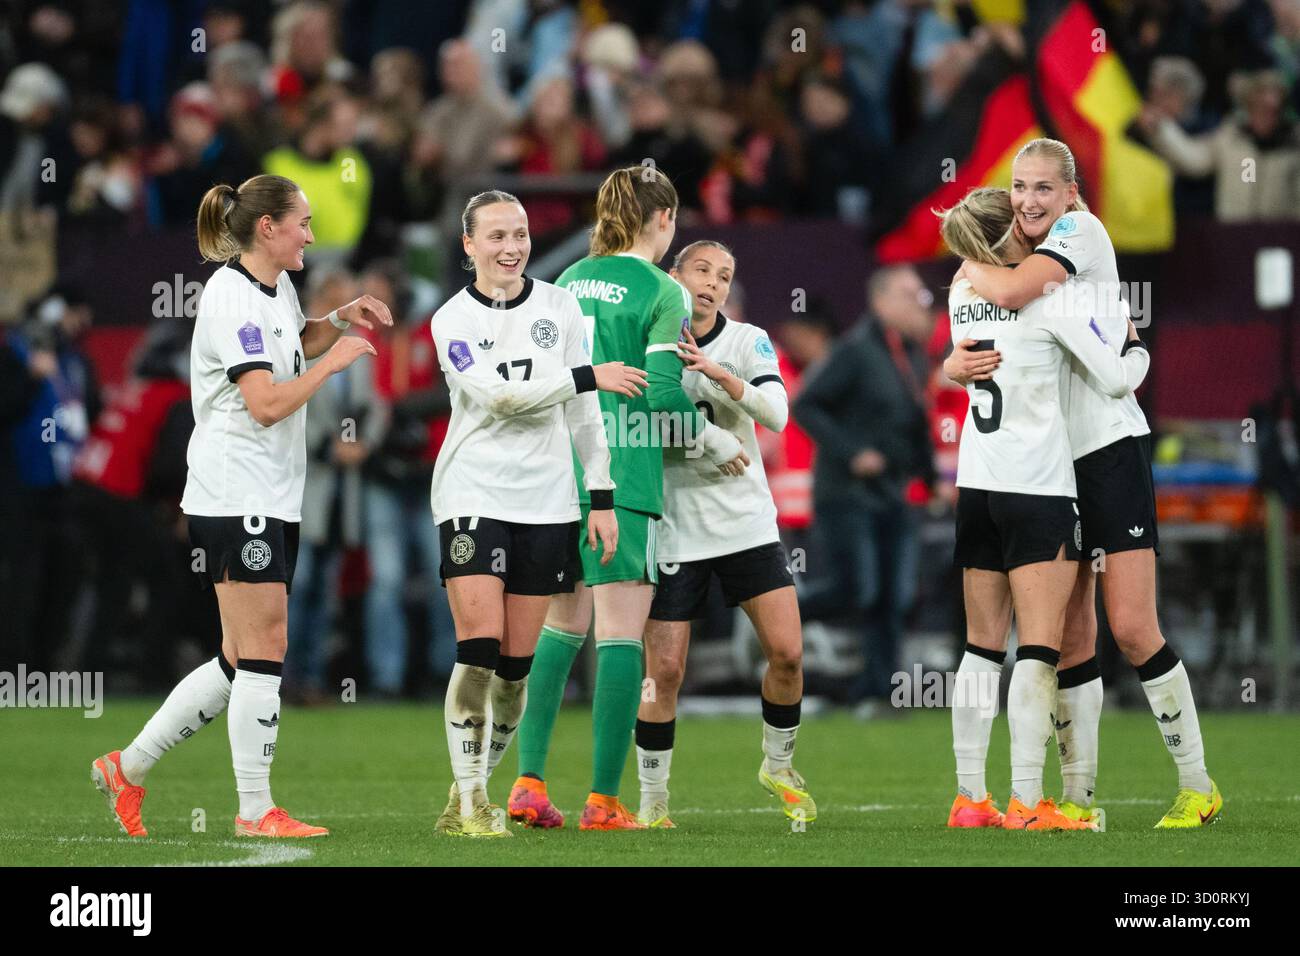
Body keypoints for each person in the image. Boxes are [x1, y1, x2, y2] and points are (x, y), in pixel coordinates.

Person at [90, 173, 392, 839]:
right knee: (267, 649)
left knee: (239, 657)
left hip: (267, 490)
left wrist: (338, 321)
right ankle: (256, 811)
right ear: (268, 228)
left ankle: (127, 767)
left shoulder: (275, 287)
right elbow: (265, 403)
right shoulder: (229, 298)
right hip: (238, 488)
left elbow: (291, 341)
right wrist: (334, 364)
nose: (313, 234)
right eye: (304, 223)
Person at [949, 138, 1222, 829]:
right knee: (1070, 636)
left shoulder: (1076, 233)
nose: (1031, 200)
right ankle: (1076, 797)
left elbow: (1011, 290)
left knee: (1131, 627)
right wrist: (957, 363)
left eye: (1045, 187)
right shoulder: (1020, 265)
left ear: (1072, 194)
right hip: (1050, 466)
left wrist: (962, 254)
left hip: (1107, 451)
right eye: (1020, 187)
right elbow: (1011, 320)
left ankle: (1198, 784)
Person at [508, 166, 748, 831]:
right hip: (626, 473)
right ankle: (604, 801)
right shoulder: (662, 289)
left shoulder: (563, 282)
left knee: (560, 628)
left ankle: (528, 780)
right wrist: (714, 442)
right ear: (665, 220)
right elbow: (666, 392)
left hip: (559, 475)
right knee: (618, 637)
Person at [427, 189, 645, 838]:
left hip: (547, 501)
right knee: (477, 650)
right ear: (469, 246)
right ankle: (470, 805)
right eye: (495, 236)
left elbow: (585, 417)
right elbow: (495, 399)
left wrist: (600, 496)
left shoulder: (560, 305)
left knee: (514, 673)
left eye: (519, 234)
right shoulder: (451, 320)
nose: (511, 247)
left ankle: (471, 789)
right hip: (471, 493)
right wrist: (584, 376)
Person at [936, 186, 1149, 831]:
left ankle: (971, 796)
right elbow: (1114, 377)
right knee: (1039, 649)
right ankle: (1029, 801)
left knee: (978, 649)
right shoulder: (1052, 297)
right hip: (1040, 489)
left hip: (977, 484)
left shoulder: (959, 291)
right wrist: (1137, 348)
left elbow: (962, 359)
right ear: (1017, 237)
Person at [634, 239, 813, 828]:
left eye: (724, 275)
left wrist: (717, 377)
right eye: (701, 270)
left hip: (745, 524)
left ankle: (777, 763)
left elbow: (778, 415)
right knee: (664, 673)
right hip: (674, 528)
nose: (712, 282)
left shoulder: (747, 340)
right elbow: (634, 427)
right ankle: (653, 800)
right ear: (674, 275)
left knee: (787, 653)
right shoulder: (647, 345)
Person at [792, 265, 935, 715]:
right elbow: (807, 405)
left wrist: (931, 481)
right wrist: (852, 451)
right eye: (910, 296)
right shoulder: (854, 350)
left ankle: (877, 689)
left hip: (891, 493)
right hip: (845, 494)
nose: (920, 304)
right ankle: (779, 617)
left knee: (893, 597)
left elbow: (916, 424)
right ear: (882, 302)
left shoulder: (911, 355)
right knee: (858, 590)